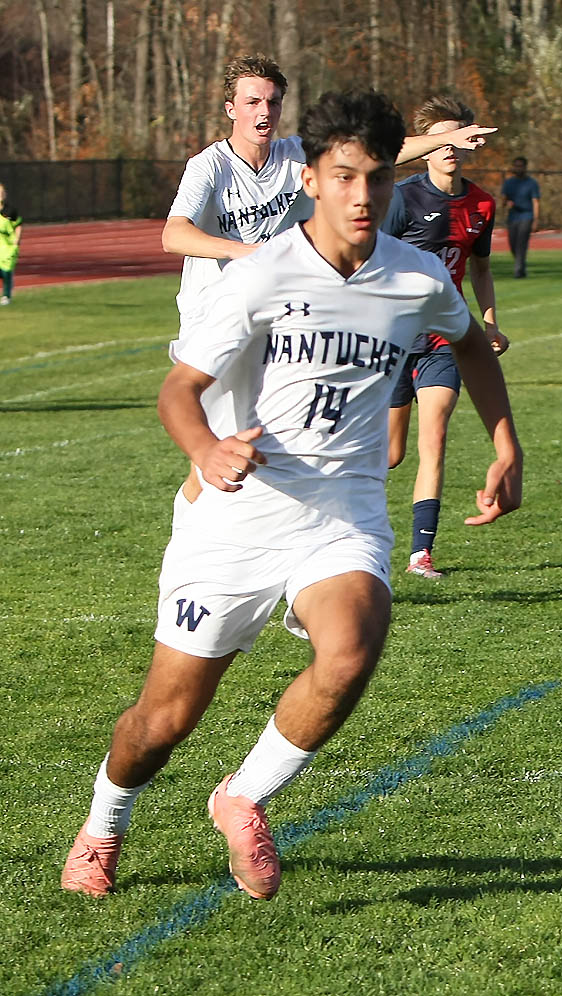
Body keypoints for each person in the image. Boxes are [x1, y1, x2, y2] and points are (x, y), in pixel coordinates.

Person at [61, 88, 523, 901]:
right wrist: (207, 447)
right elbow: (179, 389)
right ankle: (104, 821)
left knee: (351, 648)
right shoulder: (259, 275)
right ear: (311, 179)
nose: (360, 195)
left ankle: (242, 798)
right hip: (235, 517)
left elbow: (471, 345)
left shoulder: (413, 277)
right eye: (343, 176)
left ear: (391, 182)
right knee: (162, 723)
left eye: (375, 178)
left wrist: (506, 443)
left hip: (341, 512)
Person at [163, 55, 498, 499]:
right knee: (214, 451)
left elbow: (380, 152)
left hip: (282, 315)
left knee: (285, 439)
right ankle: (193, 534)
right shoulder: (210, 167)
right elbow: (174, 234)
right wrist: (252, 255)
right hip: (217, 316)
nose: (263, 112)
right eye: (252, 102)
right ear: (231, 109)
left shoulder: (293, 154)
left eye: (273, 101)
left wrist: (448, 138)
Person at [384, 95, 508, 579]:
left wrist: (491, 321)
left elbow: (480, 267)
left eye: (460, 136)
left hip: (443, 339)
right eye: (442, 138)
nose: (452, 146)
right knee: (391, 454)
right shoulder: (403, 197)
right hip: (393, 340)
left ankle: (421, 553)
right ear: (427, 147)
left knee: (433, 435)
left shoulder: (481, 203)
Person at [500, 156, 540, 278]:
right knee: (513, 243)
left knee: (521, 243)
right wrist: (507, 204)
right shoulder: (509, 182)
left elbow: (536, 202)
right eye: (516, 166)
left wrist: (536, 220)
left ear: (525, 167)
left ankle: (519, 270)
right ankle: (520, 265)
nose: (518, 168)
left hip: (526, 216)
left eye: (520, 166)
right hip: (513, 217)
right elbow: (503, 200)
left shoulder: (531, 183)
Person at [0, 183, 22, 306]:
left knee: (6, 271)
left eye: (1, 193)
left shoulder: (9, 211)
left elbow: (18, 225)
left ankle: (6, 296)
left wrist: (17, 239)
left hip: (8, 247)